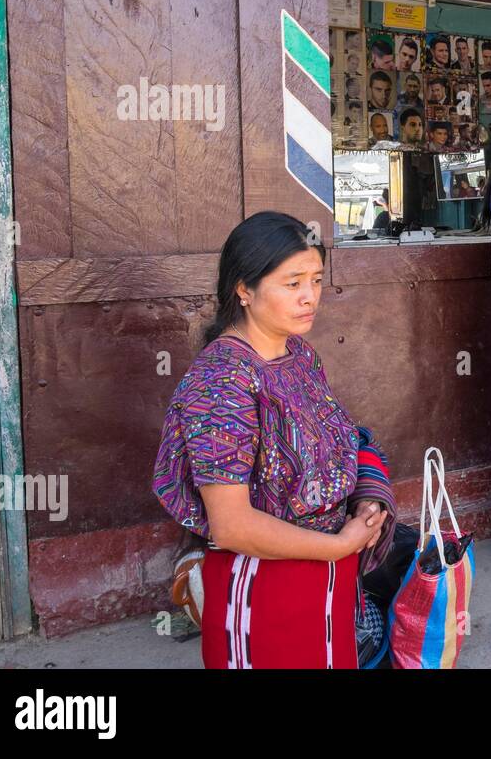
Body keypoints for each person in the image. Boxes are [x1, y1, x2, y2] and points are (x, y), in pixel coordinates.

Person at [152, 212, 396, 668]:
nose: (310, 297)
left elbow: (339, 439)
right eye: (292, 283)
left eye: (317, 280)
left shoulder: (297, 354)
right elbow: (232, 525)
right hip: (264, 594)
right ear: (243, 289)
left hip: (327, 582)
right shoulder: (221, 383)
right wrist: (339, 546)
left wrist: (366, 502)